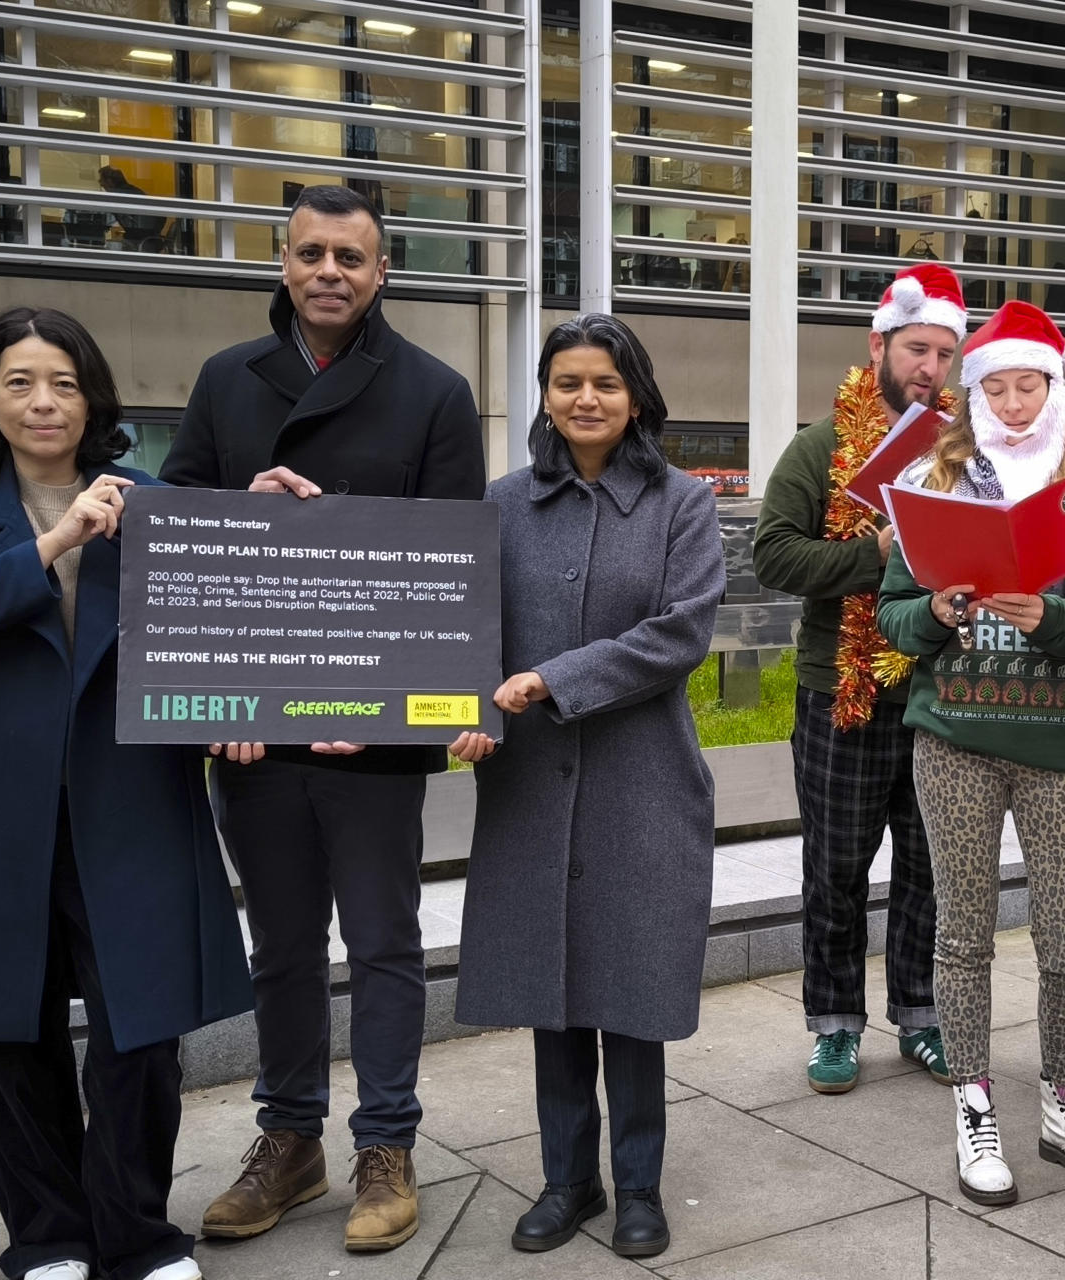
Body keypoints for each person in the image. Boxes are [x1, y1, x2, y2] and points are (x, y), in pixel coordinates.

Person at [0, 306, 255, 1280]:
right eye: (21, 380)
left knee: (140, 1027)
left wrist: (236, 698)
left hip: (127, 801)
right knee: (7, 1026)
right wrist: (56, 539)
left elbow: (201, 639)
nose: (44, 400)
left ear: (92, 396)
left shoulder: (151, 500)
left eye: (64, 381)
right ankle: (49, 1234)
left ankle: (139, 1233)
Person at [160, 184, 485, 1253]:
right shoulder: (223, 383)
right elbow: (172, 545)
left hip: (372, 739)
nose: (331, 271)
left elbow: (449, 573)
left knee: (386, 944)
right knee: (282, 947)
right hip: (256, 731)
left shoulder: (435, 392)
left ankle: (386, 1144)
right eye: (312, 254)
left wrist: (394, 718)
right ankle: (289, 1139)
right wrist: (234, 513)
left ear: (383, 269)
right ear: (283, 262)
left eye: (352, 255)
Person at [449, 314, 725, 1259]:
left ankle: (639, 1184)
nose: (586, 399)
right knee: (549, 991)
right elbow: (468, 633)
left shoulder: (682, 503)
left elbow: (681, 632)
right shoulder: (504, 501)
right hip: (529, 784)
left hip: (642, 781)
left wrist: (554, 680)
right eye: (567, 382)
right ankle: (567, 1179)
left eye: (605, 382)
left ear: (637, 394)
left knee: (628, 993)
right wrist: (468, 713)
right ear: (546, 396)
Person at [877, 300, 1065, 1207]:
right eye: (999, 387)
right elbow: (894, 616)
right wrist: (940, 610)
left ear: (1056, 389)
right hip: (955, 741)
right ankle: (974, 1102)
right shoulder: (934, 482)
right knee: (963, 936)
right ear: (974, 394)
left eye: (1033, 385)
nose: (1017, 403)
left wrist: (1053, 616)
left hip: (1059, 745)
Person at [753, 264, 964, 1094]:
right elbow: (773, 554)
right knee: (837, 865)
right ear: (878, 345)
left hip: (937, 687)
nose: (931, 369)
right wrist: (873, 554)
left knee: (929, 863)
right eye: (917, 349)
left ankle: (921, 1014)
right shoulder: (821, 447)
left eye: (946, 355)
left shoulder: (960, 446)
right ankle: (835, 1025)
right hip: (838, 690)